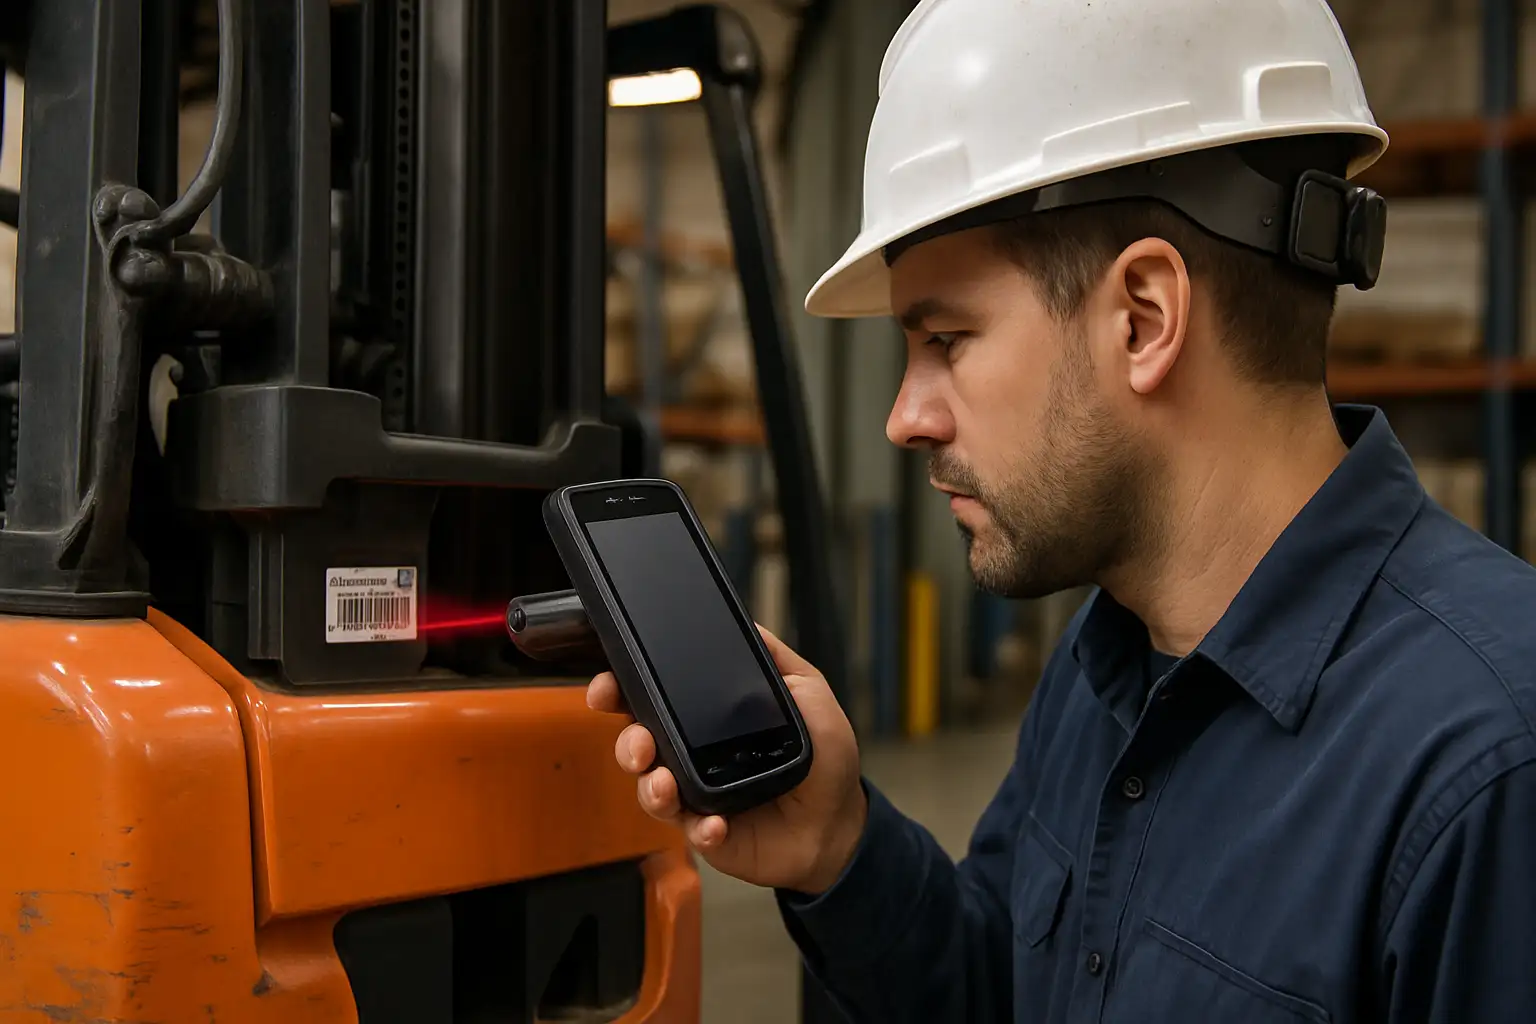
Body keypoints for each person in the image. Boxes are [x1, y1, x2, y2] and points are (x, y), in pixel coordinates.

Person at [587, 0, 1536, 1020]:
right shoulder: (1105, 666)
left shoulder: (1490, 767)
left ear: (1142, 318)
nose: (904, 418)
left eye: (946, 338)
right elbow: (1005, 990)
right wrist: (839, 850)